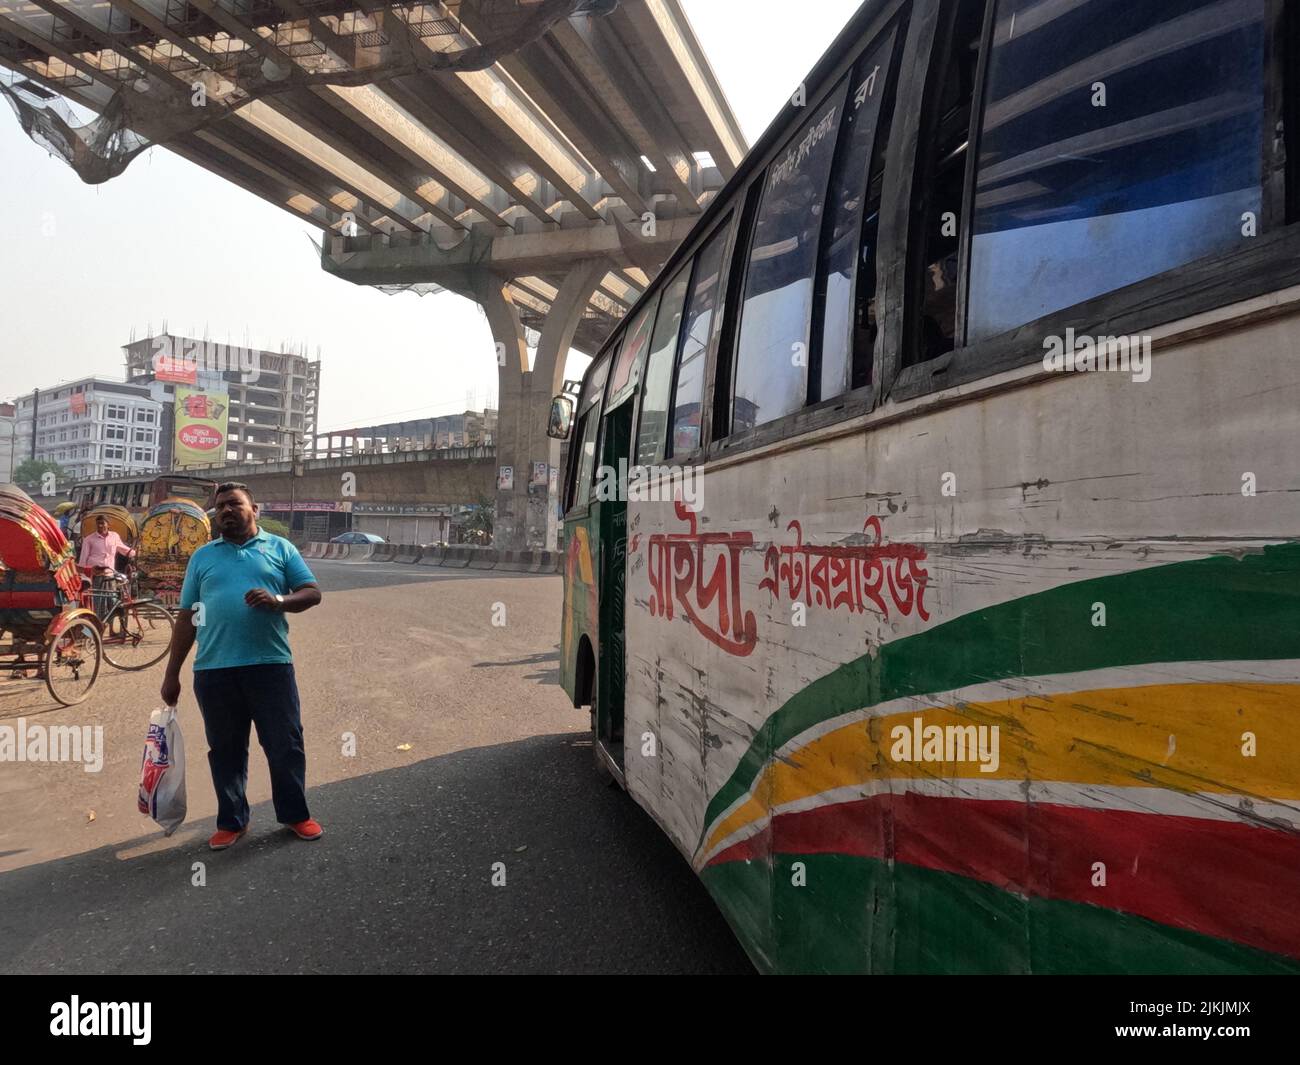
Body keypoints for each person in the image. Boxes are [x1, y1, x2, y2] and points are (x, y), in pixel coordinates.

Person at [160, 482, 324, 851]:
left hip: (270, 667)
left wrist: (279, 599)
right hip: (214, 671)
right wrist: (172, 674)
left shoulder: (279, 548)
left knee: (285, 745)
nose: (227, 512)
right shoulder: (202, 557)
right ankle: (232, 821)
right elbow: (187, 616)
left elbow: (311, 593)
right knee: (225, 749)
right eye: (221, 507)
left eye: (235, 504)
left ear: (255, 510)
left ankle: (295, 814)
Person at [79, 514, 135, 620]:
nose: (100, 526)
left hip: (110, 573)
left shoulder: (114, 536)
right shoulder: (89, 539)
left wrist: (134, 553)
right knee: (98, 600)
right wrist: (83, 573)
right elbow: (83, 557)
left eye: (102, 523)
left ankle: (109, 623)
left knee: (112, 599)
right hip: (96, 573)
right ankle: (97, 621)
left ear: (108, 525)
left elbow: (122, 548)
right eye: (98, 524)